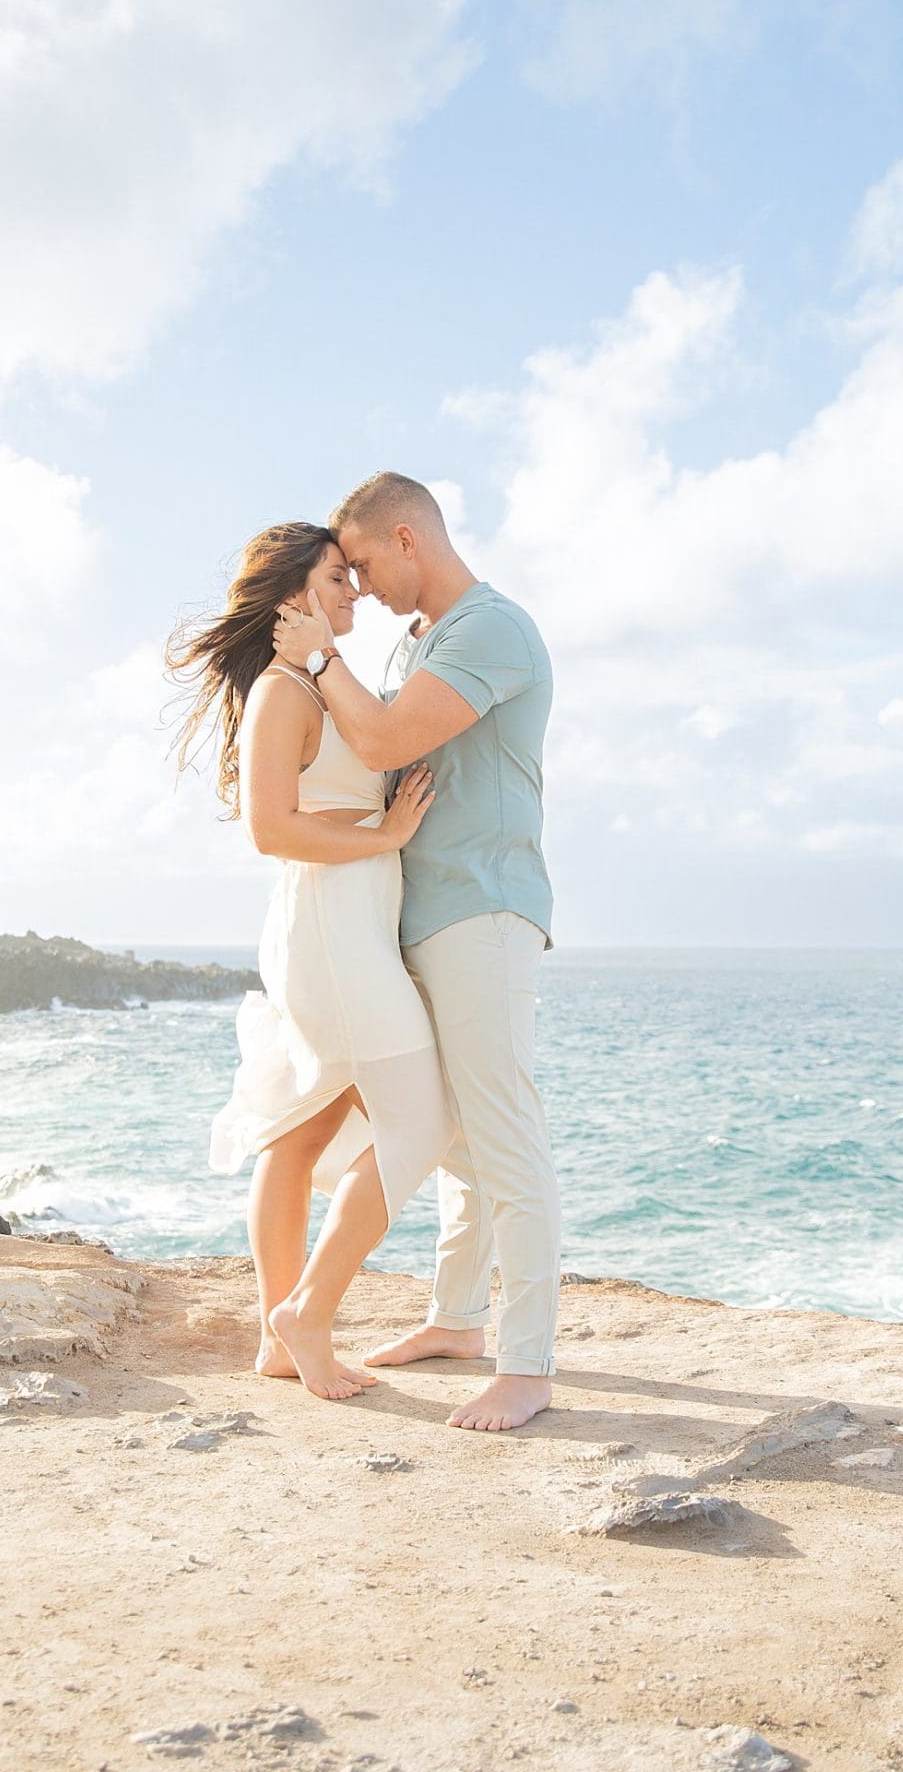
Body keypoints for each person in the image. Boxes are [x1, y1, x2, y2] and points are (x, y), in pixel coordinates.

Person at [272, 471, 560, 1433]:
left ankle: (527, 1366)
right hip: (417, 914)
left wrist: (318, 660)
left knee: (503, 1133)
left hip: (480, 909)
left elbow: (387, 738)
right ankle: (457, 1320)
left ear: (406, 539)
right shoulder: (415, 642)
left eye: (361, 564)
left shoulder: (490, 628)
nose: (359, 586)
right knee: (457, 1136)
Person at [165, 520, 455, 1402]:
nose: (353, 590)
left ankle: (276, 1338)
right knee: (421, 1126)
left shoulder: (321, 681)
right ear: (292, 596)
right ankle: (305, 1314)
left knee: (300, 1131)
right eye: (335, 577)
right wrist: (386, 835)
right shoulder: (282, 691)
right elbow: (270, 829)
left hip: (347, 927)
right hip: (331, 933)